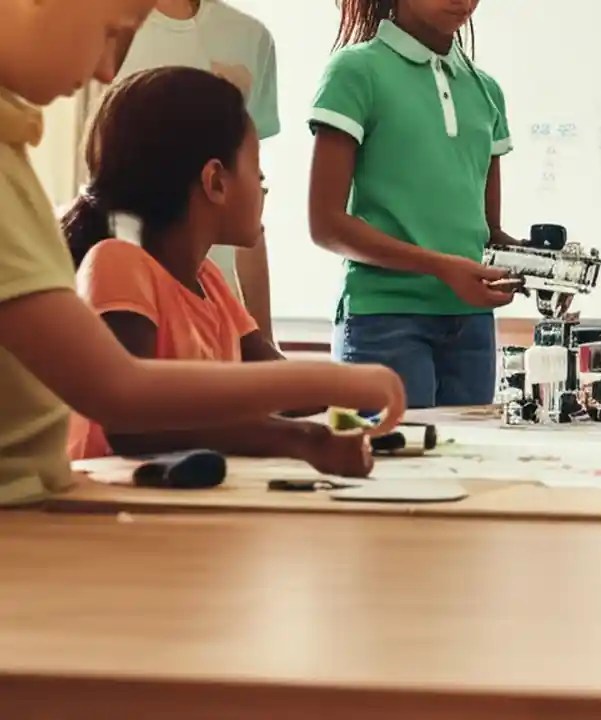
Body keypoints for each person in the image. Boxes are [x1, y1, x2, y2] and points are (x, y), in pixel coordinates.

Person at [0, 0, 403, 506]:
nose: (105, 69)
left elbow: (256, 376)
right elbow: (121, 395)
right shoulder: (117, 260)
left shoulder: (208, 278)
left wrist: (333, 400)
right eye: (111, 31)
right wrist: (325, 393)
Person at [63, 66, 372, 477]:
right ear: (215, 182)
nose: (263, 188)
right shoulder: (118, 263)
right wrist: (300, 439)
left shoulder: (209, 282)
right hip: (106, 509)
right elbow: (132, 423)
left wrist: (358, 387)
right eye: (257, 171)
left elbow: (283, 385)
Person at [309, 0, 521, 409]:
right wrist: (441, 266)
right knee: (390, 467)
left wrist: (539, 268)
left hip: (473, 327)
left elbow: (488, 232)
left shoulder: (486, 91)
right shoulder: (355, 71)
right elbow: (326, 225)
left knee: (467, 467)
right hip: (383, 321)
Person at [114, 0, 280, 342]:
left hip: (219, 320)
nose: (261, 183)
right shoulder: (103, 27)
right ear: (214, 180)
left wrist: (264, 339)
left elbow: (249, 206)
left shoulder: (251, 37)